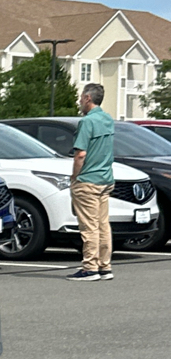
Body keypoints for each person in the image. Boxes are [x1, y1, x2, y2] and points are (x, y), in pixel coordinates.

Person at [68, 82, 115, 281]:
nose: (79, 101)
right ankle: (105, 266)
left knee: (89, 227)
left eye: (81, 97)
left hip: (88, 179)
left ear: (88, 98)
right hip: (105, 178)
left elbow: (81, 154)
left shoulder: (87, 122)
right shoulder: (107, 119)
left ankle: (90, 267)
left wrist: (74, 177)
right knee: (103, 224)